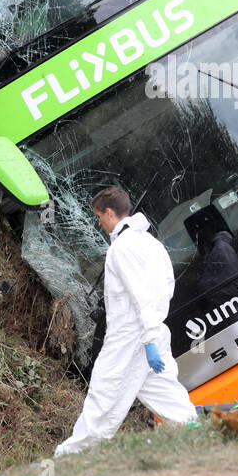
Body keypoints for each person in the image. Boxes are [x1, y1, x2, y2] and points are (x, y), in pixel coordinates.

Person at [54, 186, 196, 456]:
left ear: (109, 213)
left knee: (103, 397)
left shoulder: (122, 248)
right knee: (164, 390)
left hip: (131, 337)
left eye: (99, 216)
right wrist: (153, 334)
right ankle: (196, 433)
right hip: (151, 332)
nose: (98, 222)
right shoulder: (151, 244)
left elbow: (140, 296)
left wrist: (147, 337)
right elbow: (165, 289)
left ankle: (69, 460)